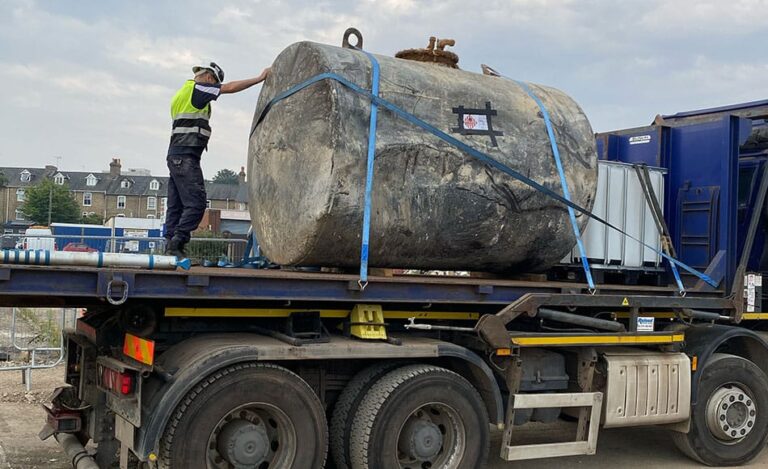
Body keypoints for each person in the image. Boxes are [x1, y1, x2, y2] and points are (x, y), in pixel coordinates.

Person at [164, 61, 270, 258]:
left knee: (176, 206)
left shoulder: (182, 93)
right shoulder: (198, 88)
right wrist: (259, 78)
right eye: (214, 82)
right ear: (208, 77)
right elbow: (229, 88)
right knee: (197, 204)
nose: (214, 87)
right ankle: (177, 241)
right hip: (186, 157)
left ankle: (170, 247)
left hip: (175, 157)